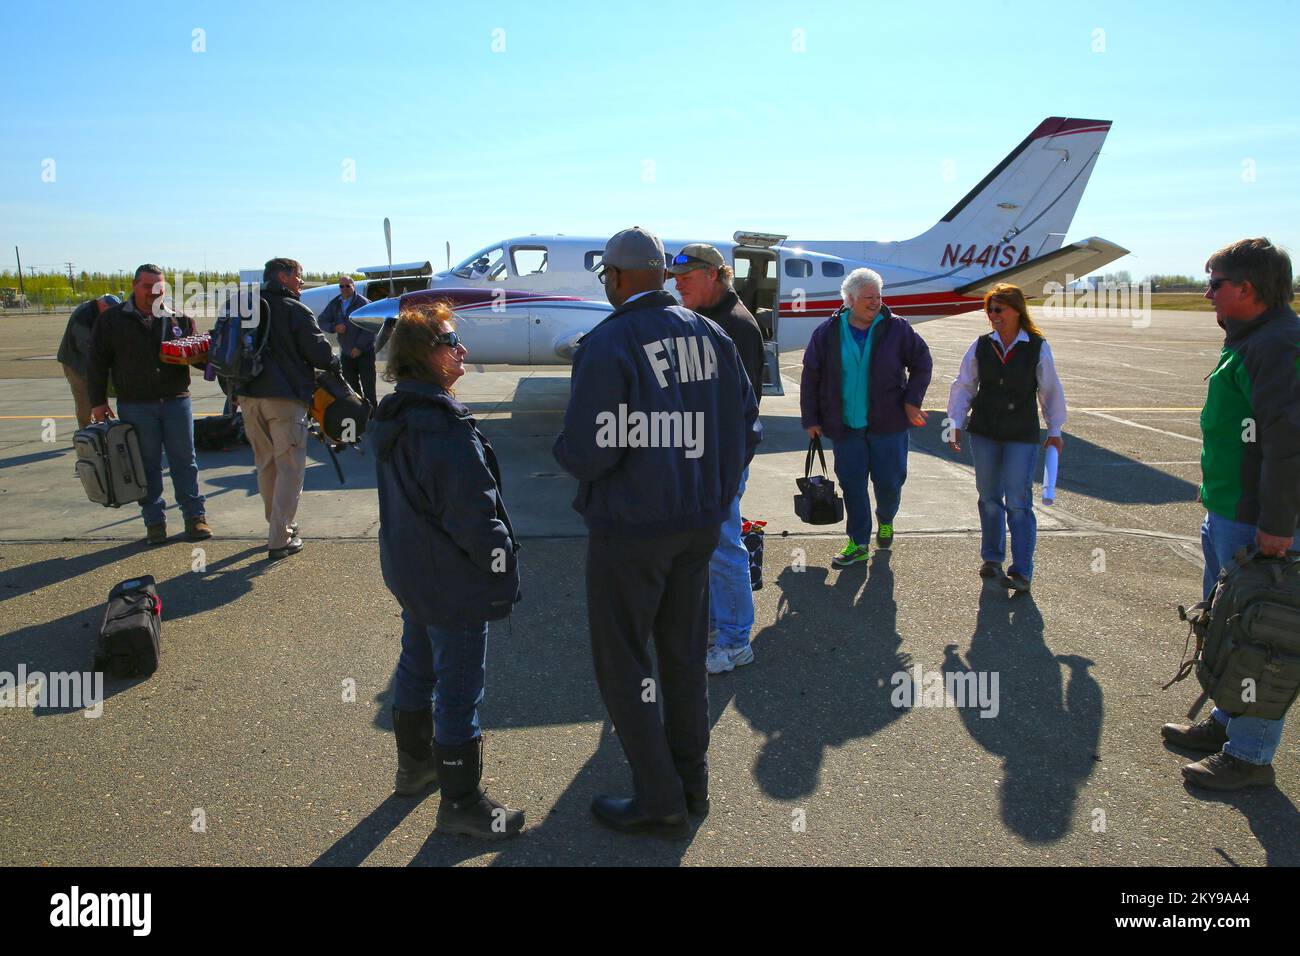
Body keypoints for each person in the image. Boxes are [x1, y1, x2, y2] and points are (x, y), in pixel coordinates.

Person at [554, 226, 760, 839]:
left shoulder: (610, 340)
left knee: (624, 662)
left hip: (633, 530)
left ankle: (657, 794)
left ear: (617, 278)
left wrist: (565, 451)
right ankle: (691, 782)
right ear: (662, 277)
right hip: (698, 524)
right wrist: (714, 487)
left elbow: (592, 449)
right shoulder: (713, 333)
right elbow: (747, 427)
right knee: (681, 654)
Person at [370, 299, 524, 838]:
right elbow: (475, 518)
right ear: (423, 356)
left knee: (417, 664)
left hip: (413, 572)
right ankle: (463, 803)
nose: (461, 349)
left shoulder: (397, 413)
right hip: (450, 578)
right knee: (459, 686)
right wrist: (504, 570)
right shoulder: (443, 427)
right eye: (449, 341)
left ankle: (416, 767)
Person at [1161, 237, 1300, 791]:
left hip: (1257, 521)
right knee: (1227, 629)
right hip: (1229, 513)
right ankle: (1227, 720)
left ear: (1248, 289)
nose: (1206, 292)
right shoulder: (1251, 338)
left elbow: (1289, 444)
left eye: (1214, 283)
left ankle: (1250, 754)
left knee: (1263, 638)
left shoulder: (1277, 344)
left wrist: (1279, 523)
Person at [669, 243, 765, 675]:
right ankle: (713, 625)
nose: (677, 284)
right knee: (707, 545)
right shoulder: (705, 319)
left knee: (724, 545)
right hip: (702, 454)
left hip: (720, 459)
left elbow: (733, 408)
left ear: (714, 275)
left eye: (686, 277)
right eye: (674, 277)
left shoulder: (736, 327)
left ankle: (735, 640)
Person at [800, 267, 932, 567]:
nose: (875, 302)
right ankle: (858, 542)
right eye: (868, 298)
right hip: (845, 426)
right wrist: (811, 419)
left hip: (889, 425)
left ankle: (886, 519)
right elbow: (811, 376)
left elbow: (922, 362)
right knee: (852, 485)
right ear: (850, 299)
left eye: (878, 296)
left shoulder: (897, 328)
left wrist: (912, 401)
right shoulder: (827, 331)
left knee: (889, 482)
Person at [946, 283, 1065, 592]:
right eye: (989, 310)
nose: (993, 316)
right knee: (988, 498)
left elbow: (1050, 392)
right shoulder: (982, 345)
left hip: (1020, 436)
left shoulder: (1037, 346)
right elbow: (964, 386)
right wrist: (954, 424)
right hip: (985, 431)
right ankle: (992, 558)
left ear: (1016, 311)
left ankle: (1022, 571)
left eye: (998, 309)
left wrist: (1054, 431)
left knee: (1018, 501)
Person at [87, 266, 210, 545]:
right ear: (134, 286)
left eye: (160, 287)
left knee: (185, 462)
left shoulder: (178, 318)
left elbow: (200, 359)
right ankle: (155, 523)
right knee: (147, 465)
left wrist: (205, 355)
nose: (154, 292)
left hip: (177, 400)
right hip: (136, 404)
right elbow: (96, 363)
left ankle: (195, 518)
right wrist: (97, 401)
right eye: (148, 286)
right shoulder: (112, 321)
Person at [236, 258, 336, 560]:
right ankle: (280, 536)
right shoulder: (294, 309)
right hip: (285, 400)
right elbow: (320, 353)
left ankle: (277, 526)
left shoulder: (243, 307)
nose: (302, 282)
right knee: (290, 467)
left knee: (265, 464)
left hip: (248, 398)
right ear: (283, 276)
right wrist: (334, 362)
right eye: (299, 276)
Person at [58, 294, 119, 430]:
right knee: (84, 400)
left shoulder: (102, 313)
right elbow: (86, 347)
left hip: (94, 362)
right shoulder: (83, 315)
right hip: (75, 363)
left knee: (101, 393)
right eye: (111, 310)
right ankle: (86, 434)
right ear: (102, 305)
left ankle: (104, 428)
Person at [317, 276, 376, 406]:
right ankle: (359, 414)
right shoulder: (335, 303)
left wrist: (359, 347)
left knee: (369, 388)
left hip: (365, 353)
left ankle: (373, 417)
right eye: (341, 286)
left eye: (347, 286)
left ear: (353, 286)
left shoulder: (363, 303)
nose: (344, 289)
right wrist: (334, 327)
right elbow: (322, 320)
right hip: (347, 354)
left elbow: (370, 327)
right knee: (352, 388)